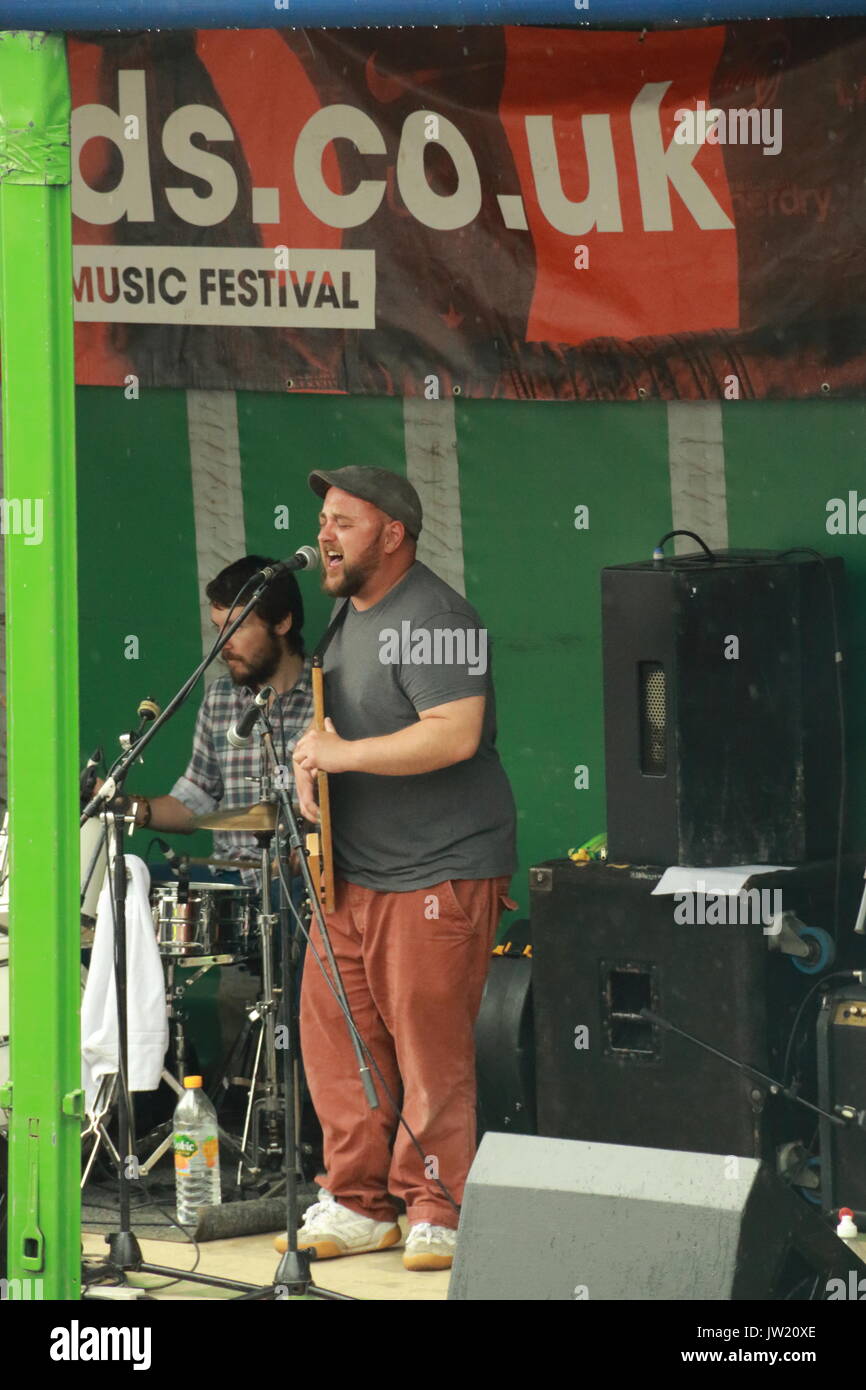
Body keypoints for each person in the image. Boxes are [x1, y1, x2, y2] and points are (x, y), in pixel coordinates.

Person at [289, 466, 517, 1272]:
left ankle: (438, 1207)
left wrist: (341, 754)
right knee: (337, 1040)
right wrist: (308, 763)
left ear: (393, 533)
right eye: (323, 519)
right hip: (351, 876)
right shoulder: (345, 617)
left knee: (429, 1049)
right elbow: (332, 726)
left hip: (436, 871)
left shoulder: (437, 615)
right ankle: (357, 1203)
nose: (324, 535)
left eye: (343, 522)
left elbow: (454, 733)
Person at [109, 554, 314, 881]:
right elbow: (196, 802)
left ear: (282, 623)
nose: (223, 644)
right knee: (130, 884)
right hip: (230, 882)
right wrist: (127, 808)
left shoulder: (331, 695)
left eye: (236, 626)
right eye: (219, 629)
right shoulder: (221, 697)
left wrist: (307, 852)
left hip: (298, 890)